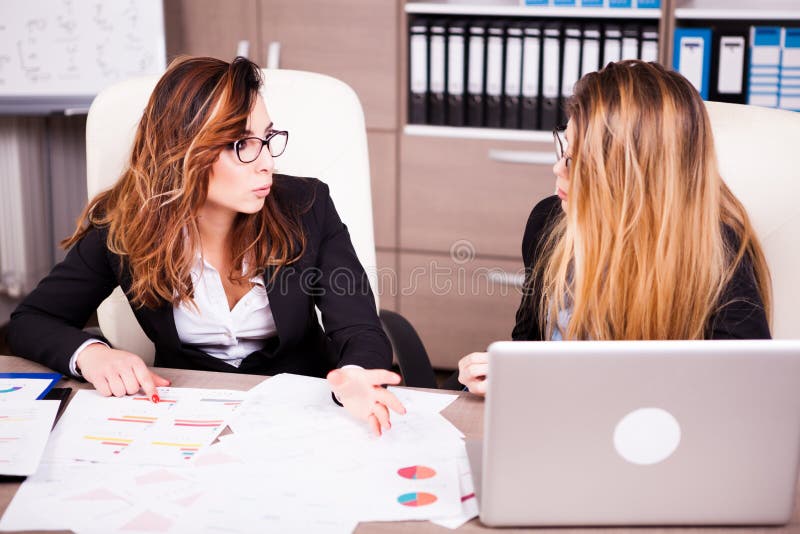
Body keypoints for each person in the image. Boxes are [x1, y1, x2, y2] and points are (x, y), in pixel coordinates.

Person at [9, 56, 404, 435]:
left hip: (300, 413)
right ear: (183, 153)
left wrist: (354, 374)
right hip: (183, 415)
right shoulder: (123, 225)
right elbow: (32, 320)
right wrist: (92, 355)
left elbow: (361, 329)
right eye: (242, 145)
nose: (266, 161)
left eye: (266, 139)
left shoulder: (308, 207)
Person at [458, 60, 772, 396]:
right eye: (565, 147)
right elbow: (527, 346)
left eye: (577, 160)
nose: (557, 168)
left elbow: (750, 394)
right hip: (553, 423)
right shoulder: (549, 224)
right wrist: (504, 374)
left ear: (633, 177)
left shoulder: (718, 255)